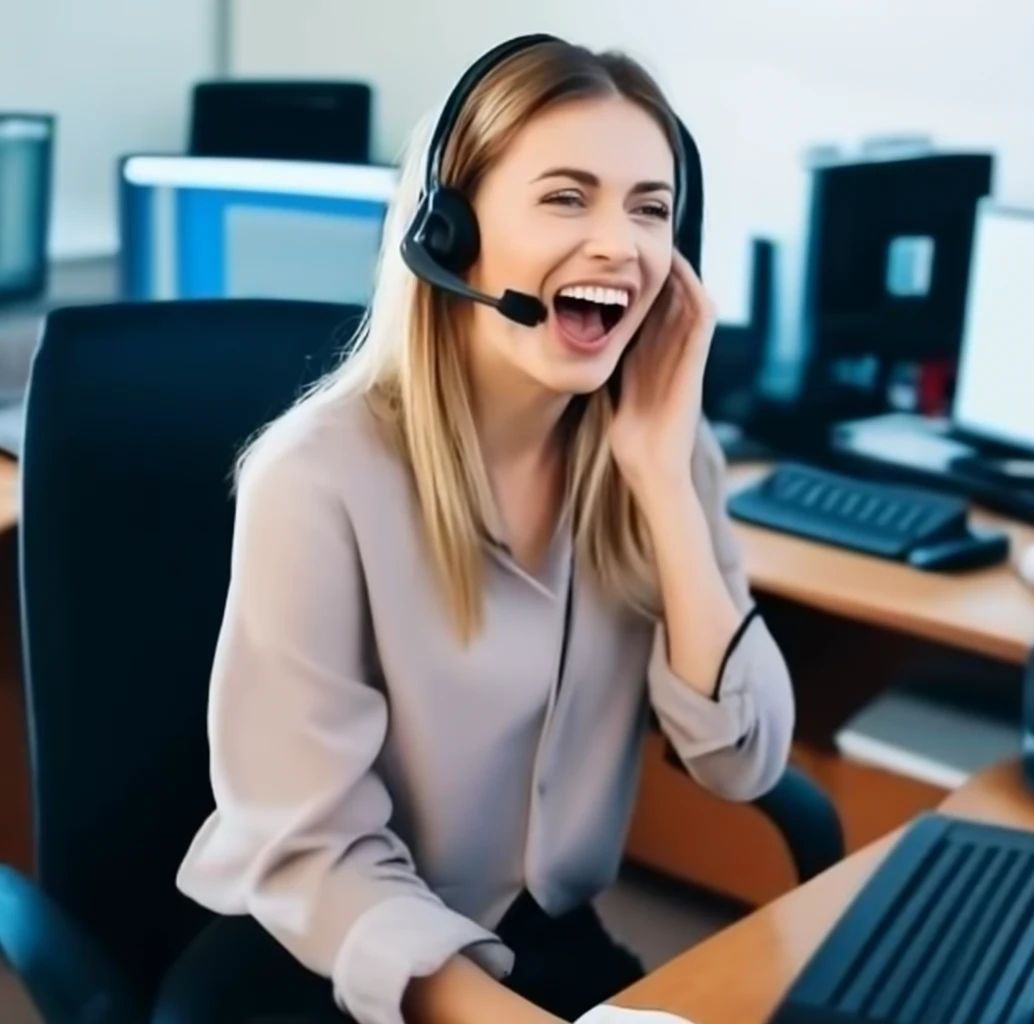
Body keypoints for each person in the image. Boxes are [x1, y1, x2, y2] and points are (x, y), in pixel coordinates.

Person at [159, 34, 795, 1024]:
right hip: (331, 951)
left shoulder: (660, 448)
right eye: (566, 197)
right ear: (447, 232)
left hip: (541, 942)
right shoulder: (316, 477)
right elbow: (313, 853)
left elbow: (743, 758)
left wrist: (663, 483)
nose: (620, 245)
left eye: (650, 209)